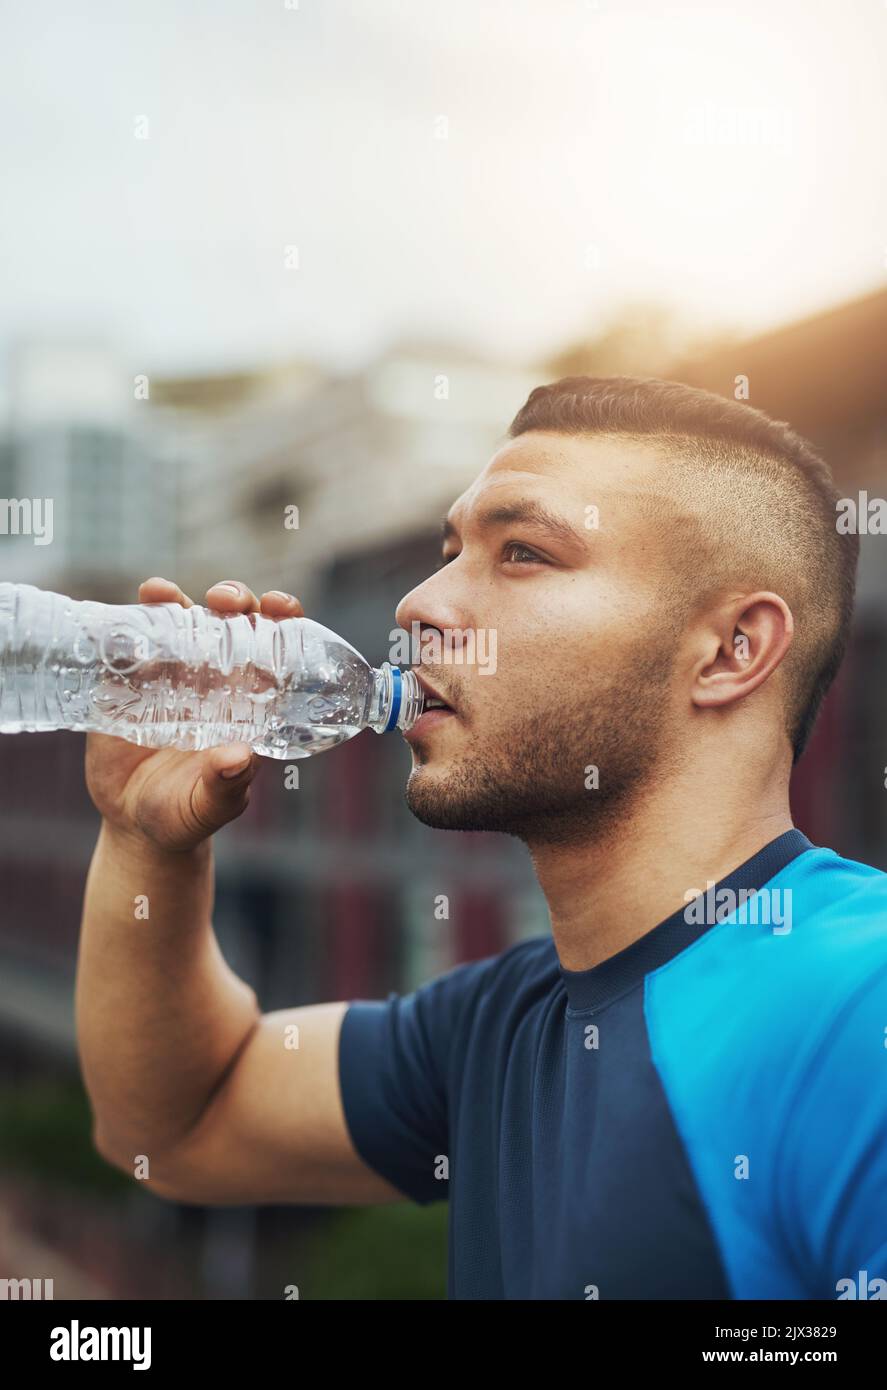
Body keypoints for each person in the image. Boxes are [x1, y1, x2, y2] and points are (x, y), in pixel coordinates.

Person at [77, 376, 887, 1300]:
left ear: (731, 649)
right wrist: (147, 843)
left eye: (524, 553)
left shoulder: (856, 1011)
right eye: (450, 549)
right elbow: (176, 1128)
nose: (417, 604)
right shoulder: (497, 1024)